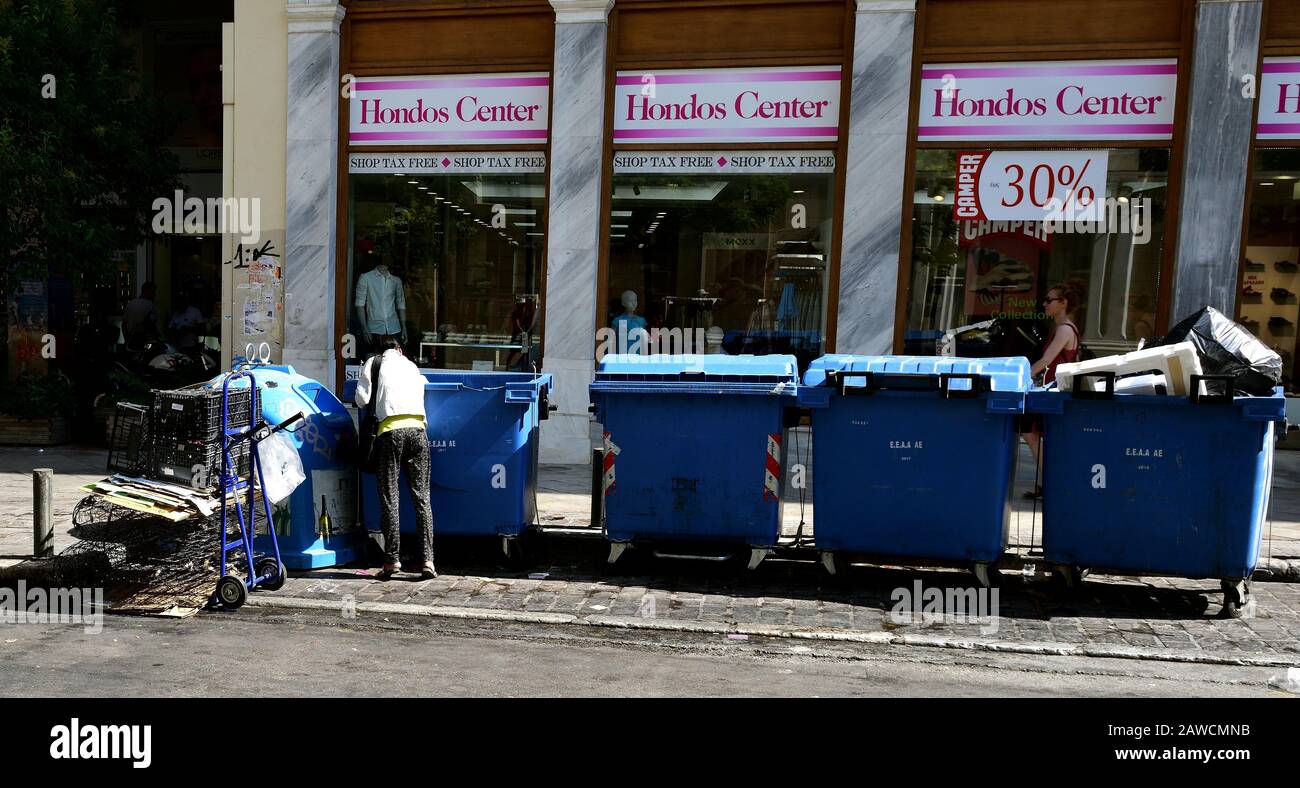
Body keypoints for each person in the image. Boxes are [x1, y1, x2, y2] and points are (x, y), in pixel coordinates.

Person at [354, 336, 436, 580]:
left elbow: (361, 399)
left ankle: (391, 561)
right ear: (400, 349)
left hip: (390, 433)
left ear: (380, 352)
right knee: (422, 498)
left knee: (390, 497)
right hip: (419, 432)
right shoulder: (411, 366)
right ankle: (428, 562)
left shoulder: (373, 363)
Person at [1021, 281, 1086, 498]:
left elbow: (1047, 360)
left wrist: (1022, 376)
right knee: (1035, 433)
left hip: (1054, 391)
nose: (1044, 304)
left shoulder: (1065, 329)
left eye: (1049, 300)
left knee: (1030, 432)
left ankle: (1049, 482)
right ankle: (1047, 482)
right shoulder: (1065, 328)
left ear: (1063, 303)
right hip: (1052, 389)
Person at [122, 282, 160, 350]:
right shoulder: (149, 305)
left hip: (131, 342)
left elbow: (124, 324)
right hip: (145, 343)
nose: (155, 294)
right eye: (153, 292)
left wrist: (126, 339)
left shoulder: (130, 304)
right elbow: (152, 325)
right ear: (147, 291)